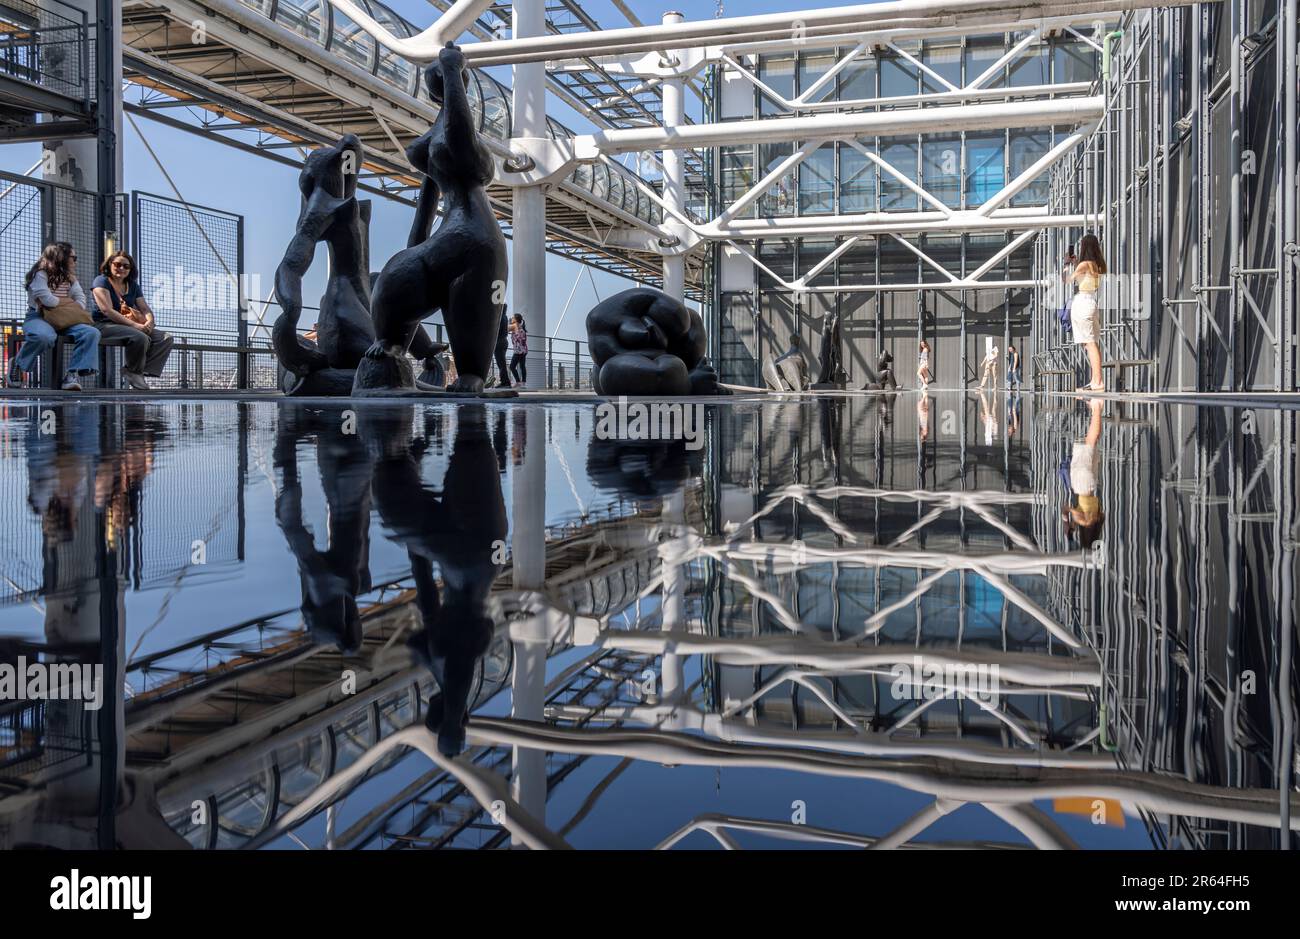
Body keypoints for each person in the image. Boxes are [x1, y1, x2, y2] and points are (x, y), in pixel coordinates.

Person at [6, 242, 100, 391]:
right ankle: (18, 363)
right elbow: (46, 300)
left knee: (91, 332)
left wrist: (60, 303)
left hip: (65, 319)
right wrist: (69, 302)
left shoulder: (70, 278)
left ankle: (72, 375)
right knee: (44, 336)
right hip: (39, 316)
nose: (75, 261)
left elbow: (81, 303)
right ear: (61, 258)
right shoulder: (40, 274)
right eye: (73, 258)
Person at [90, 251, 174, 390]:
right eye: (117, 264)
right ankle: (134, 371)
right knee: (140, 336)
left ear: (130, 269)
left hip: (127, 325)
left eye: (126, 266)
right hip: (104, 324)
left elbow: (145, 308)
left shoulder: (133, 286)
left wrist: (149, 323)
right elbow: (107, 310)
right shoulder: (101, 281)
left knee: (166, 338)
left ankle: (138, 371)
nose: (121, 268)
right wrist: (136, 325)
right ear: (110, 265)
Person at [1063, 398, 1106, 548]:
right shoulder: (1083, 520)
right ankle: (1097, 407)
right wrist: (1066, 523)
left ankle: (1096, 410)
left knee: (1092, 442)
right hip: (1081, 483)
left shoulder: (1097, 518)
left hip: (1090, 484)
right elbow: (1065, 508)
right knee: (1090, 442)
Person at [1070, 234, 1106, 392]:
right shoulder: (1097, 264)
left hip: (1083, 303)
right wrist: (1074, 263)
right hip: (1091, 301)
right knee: (1091, 343)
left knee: (1090, 344)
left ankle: (1097, 382)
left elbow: (1067, 279)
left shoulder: (1085, 264)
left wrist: (1067, 264)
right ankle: (1094, 380)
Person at [491, 308, 510, 387]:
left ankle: (505, 382)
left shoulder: (499, 317)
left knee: (501, 364)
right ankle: (506, 382)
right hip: (504, 341)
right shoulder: (505, 317)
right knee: (502, 363)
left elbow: (495, 329)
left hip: (499, 342)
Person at [508, 313, 528, 387]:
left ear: (515, 319)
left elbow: (505, 329)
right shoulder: (521, 327)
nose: (511, 318)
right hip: (524, 350)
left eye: (512, 317)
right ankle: (523, 383)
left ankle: (518, 382)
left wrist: (508, 323)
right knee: (522, 366)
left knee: (512, 367)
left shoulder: (514, 326)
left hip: (518, 351)